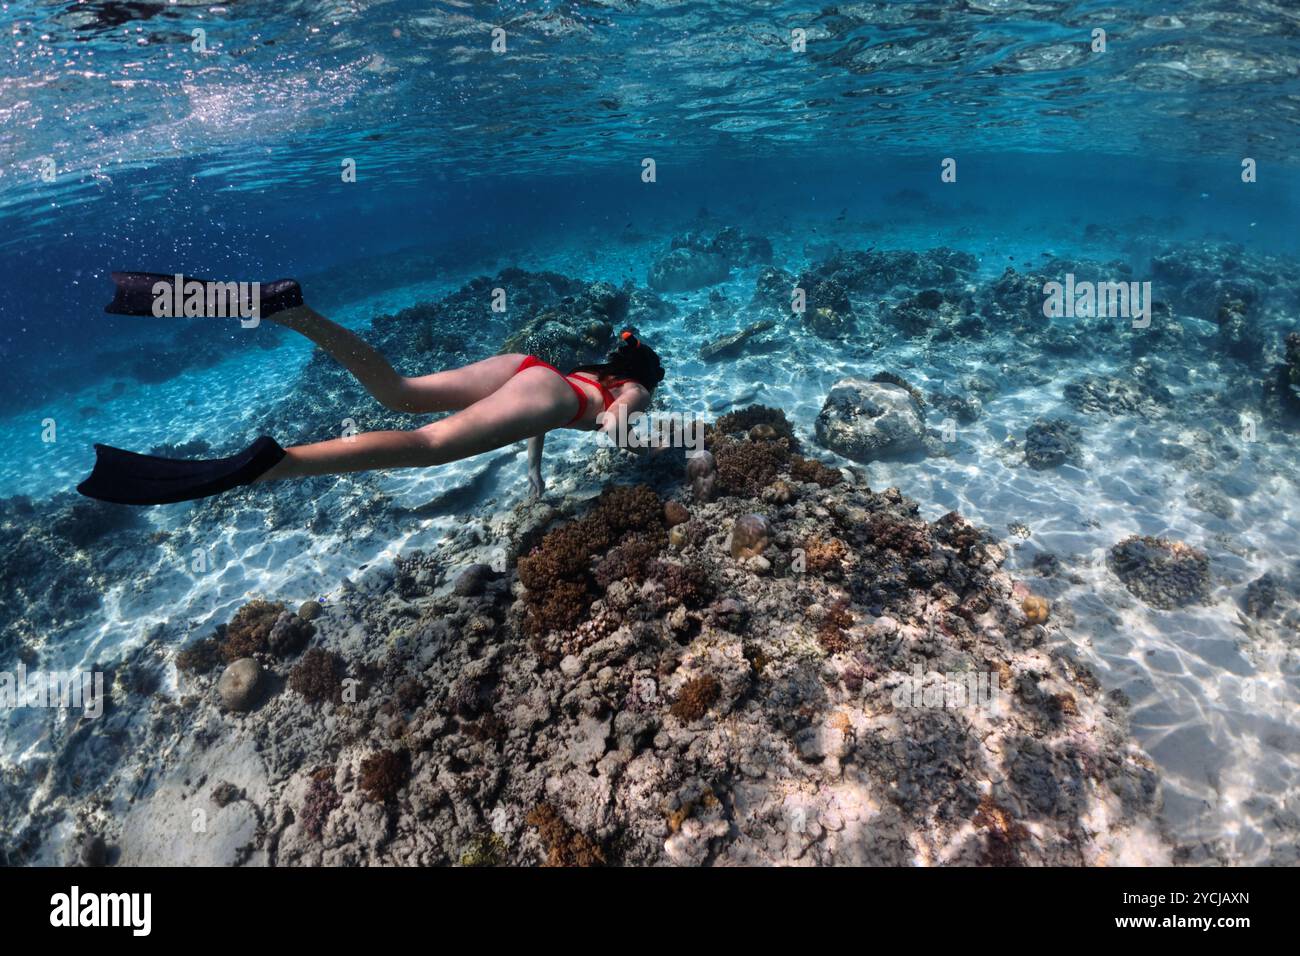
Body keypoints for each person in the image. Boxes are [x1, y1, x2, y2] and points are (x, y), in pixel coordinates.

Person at [77, 273, 665, 505]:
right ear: (642, 379)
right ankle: (273, 466)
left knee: (398, 390)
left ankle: (291, 313)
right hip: (552, 396)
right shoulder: (635, 394)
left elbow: (538, 412)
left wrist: (535, 471)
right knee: (426, 447)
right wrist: (636, 433)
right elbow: (612, 421)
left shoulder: (594, 374)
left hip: (530, 369)